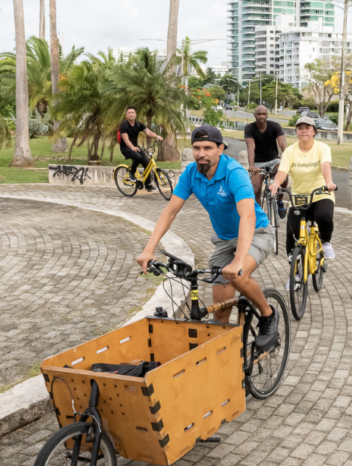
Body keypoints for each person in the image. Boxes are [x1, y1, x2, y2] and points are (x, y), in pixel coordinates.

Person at [136, 124, 280, 351]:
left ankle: (268, 315)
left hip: (257, 234)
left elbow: (248, 217)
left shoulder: (234, 173)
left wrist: (238, 260)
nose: (201, 153)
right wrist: (149, 249)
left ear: (220, 149)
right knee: (219, 312)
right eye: (196, 148)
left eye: (207, 148)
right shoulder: (192, 173)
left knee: (238, 276)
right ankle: (221, 358)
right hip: (224, 240)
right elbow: (170, 211)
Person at [270, 115, 337, 260]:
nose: (303, 131)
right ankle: (296, 273)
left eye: (307, 128)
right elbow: (283, 171)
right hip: (299, 196)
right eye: (300, 128)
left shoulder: (322, 148)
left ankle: (326, 242)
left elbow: (325, 165)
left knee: (324, 217)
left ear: (314, 131)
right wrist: (276, 183)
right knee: (292, 233)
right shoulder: (290, 151)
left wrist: (329, 182)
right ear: (296, 131)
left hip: (321, 193)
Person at [244, 105, 288, 216]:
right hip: (258, 163)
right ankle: (259, 215)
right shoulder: (250, 128)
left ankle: (279, 201)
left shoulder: (275, 126)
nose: (261, 116)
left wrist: (288, 160)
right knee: (255, 190)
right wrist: (252, 165)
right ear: (255, 115)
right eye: (259, 114)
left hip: (274, 160)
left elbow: (282, 143)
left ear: (267, 115)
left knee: (284, 176)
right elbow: (250, 146)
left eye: (264, 114)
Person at [118, 107, 162, 190]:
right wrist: (132, 147)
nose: (131, 114)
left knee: (147, 163)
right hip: (126, 148)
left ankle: (148, 185)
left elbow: (148, 132)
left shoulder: (138, 124)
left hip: (135, 147)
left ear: (135, 115)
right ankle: (131, 173)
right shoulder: (124, 125)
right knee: (138, 156)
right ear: (126, 115)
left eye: (133, 112)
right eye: (129, 112)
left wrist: (157, 136)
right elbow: (125, 139)